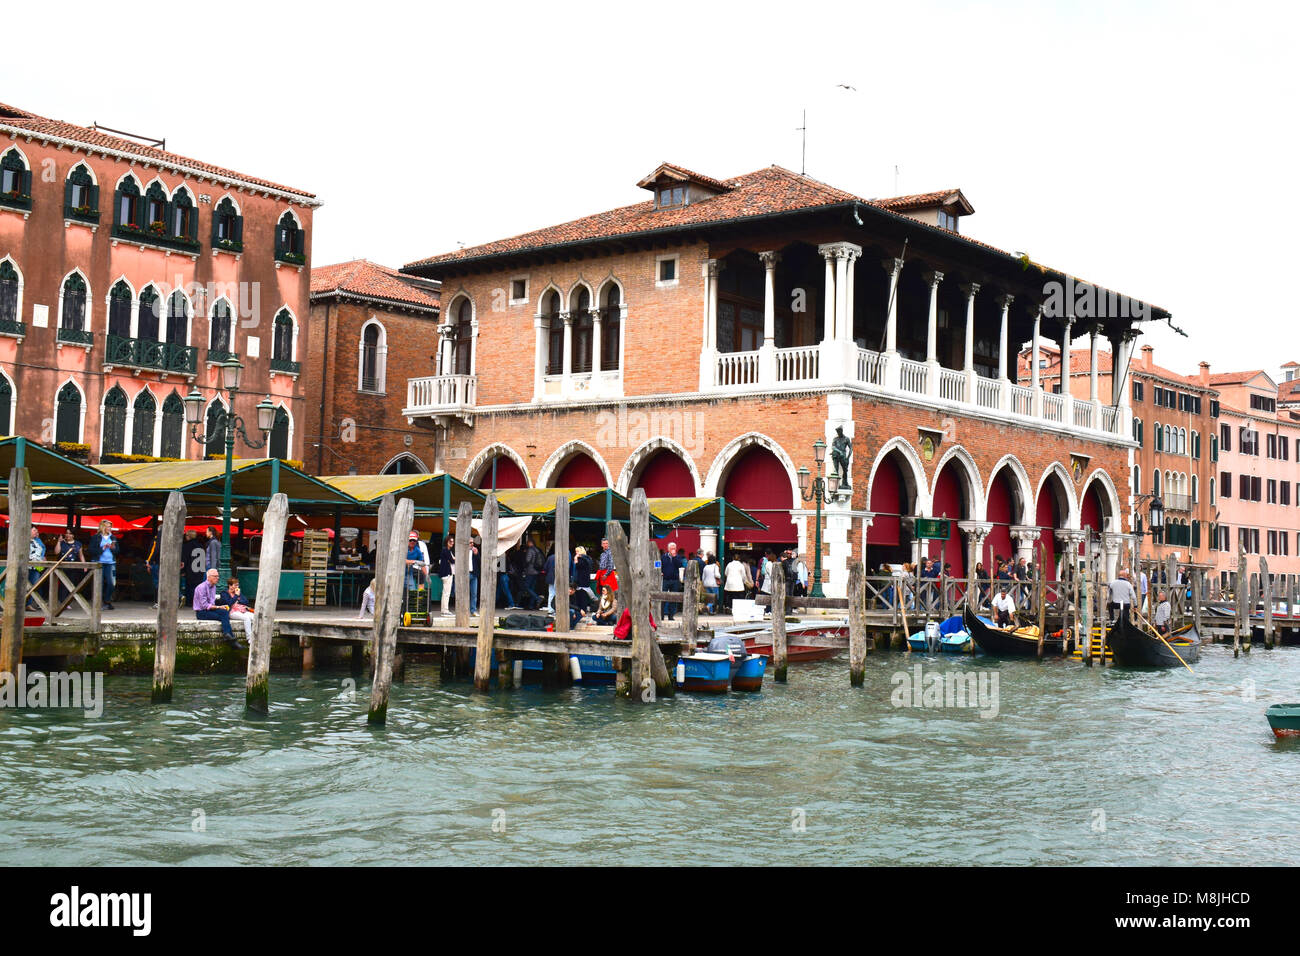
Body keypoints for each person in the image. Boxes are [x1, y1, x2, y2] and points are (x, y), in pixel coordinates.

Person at [194, 567, 238, 647]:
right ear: (209, 577)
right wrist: (218, 607)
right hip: (201, 613)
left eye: (218, 576)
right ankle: (231, 638)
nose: (218, 578)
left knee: (224, 612)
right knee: (223, 616)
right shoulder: (201, 587)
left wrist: (220, 607)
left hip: (209, 610)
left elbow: (212, 603)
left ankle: (228, 635)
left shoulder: (213, 587)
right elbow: (205, 605)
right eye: (215, 576)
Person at [91, 520, 118, 610]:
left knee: (111, 583)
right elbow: (91, 550)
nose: (109, 528)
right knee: (99, 583)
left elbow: (117, 551)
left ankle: (107, 601)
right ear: (103, 527)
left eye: (110, 526)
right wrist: (103, 548)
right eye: (107, 526)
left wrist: (112, 548)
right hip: (99, 563)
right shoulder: (96, 537)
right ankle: (98, 602)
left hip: (111, 563)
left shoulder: (113, 537)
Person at [219, 576, 255, 643]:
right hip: (232, 612)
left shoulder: (238, 593)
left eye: (237, 585)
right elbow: (228, 604)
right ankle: (249, 638)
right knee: (246, 618)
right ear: (230, 585)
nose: (237, 587)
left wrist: (238, 599)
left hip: (242, 610)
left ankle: (256, 636)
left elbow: (246, 601)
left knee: (255, 617)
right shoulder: (224, 594)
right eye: (235, 585)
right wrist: (236, 596)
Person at [661, 541, 684, 621]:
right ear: (668, 549)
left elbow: (680, 566)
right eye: (671, 548)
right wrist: (660, 572)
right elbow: (660, 566)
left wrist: (674, 557)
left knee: (673, 598)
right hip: (665, 580)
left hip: (674, 580)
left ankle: (671, 616)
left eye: (674, 548)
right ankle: (661, 615)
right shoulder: (663, 557)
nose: (673, 550)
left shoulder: (678, 557)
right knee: (662, 597)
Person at [183, 530, 207, 604]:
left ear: (189, 536)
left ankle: (190, 602)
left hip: (191, 569)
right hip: (200, 570)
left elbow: (185, 559)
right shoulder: (201, 545)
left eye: (186, 536)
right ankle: (197, 602)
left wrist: (183, 571)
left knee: (190, 586)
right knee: (198, 587)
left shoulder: (187, 545)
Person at [438, 535, 455, 617]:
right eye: (450, 541)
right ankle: (445, 610)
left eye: (452, 541)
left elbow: (451, 560)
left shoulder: (447, 551)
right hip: (446, 574)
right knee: (446, 593)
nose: (452, 543)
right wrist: (453, 559)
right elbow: (452, 560)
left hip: (447, 573)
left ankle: (444, 609)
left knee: (446, 592)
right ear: (447, 542)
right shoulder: (446, 550)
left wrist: (452, 559)